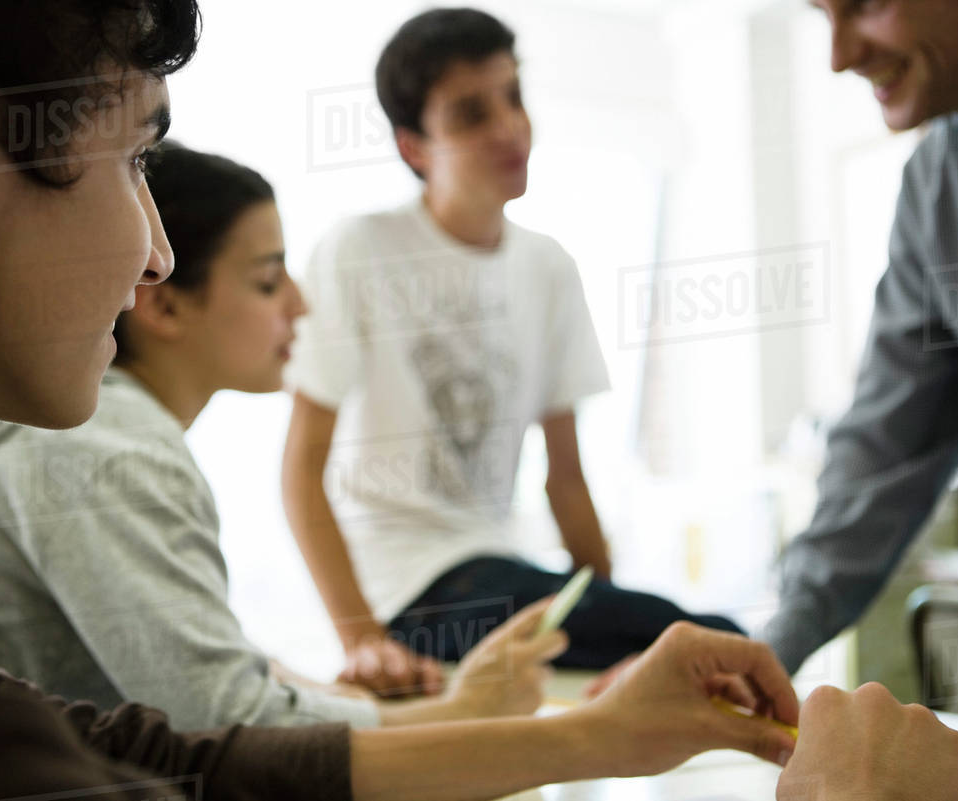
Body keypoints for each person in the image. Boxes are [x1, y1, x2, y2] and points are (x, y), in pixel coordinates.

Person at [0, 1, 958, 799]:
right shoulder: (110, 453)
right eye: (135, 161)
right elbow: (212, 721)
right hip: (434, 589)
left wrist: (590, 731)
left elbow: (162, 752)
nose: (151, 253)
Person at [0, 144, 564, 731]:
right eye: (268, 280)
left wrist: (347, 696)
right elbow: (230, 722)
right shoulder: (106, 449)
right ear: (164, 301)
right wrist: (457, 712)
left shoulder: (98, 431)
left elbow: (213, 669)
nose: (301, 302)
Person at [282, 6, 738, 698]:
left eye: (514, 98)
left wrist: (608, 619)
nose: (508, 128)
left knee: (700, 642)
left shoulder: (547, 267)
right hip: (410, 588)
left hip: (498, 575)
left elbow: (566, 480)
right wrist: (363, 641)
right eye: (470, 114)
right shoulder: (360, 249)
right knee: (715, 639)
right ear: (414, 146)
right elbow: (301, 468)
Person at [759, 0, 958, 674]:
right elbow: (887, 447)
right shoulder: (937, 189)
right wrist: (772, 644)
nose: (838, 56)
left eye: (865, 4)